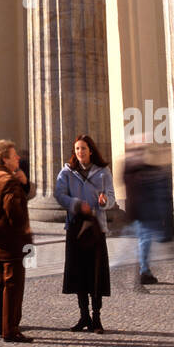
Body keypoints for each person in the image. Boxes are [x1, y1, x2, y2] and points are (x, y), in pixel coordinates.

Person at [55, 134, 115, 334]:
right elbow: (60, 195)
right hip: (75, 227)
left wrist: (104, 201)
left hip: (96, 227)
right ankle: (84, 316)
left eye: (83, 148)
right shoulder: (66, 172)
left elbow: (112, 197)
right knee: (79, 273)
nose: (80, 152)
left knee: (96, 273)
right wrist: (77, 204)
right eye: (77, 149)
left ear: (91, 150)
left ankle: (96, 318)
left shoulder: (103, 172)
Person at [0, 138, 34, 342]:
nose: (18, 158)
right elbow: (15, 215)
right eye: (14, 156)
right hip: (12, 243)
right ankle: (11, 329)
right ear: (5, 159)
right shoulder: (9, 182)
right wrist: (27, 238)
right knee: (13, 286)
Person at [124, 135, 168, 285]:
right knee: (145, 240)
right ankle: (143, 270)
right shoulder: (132, 168)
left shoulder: (137, 168)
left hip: (143, 211)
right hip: (142, 211)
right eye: (138, 150)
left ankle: (143, 268)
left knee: (144, 240)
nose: (140, 153)